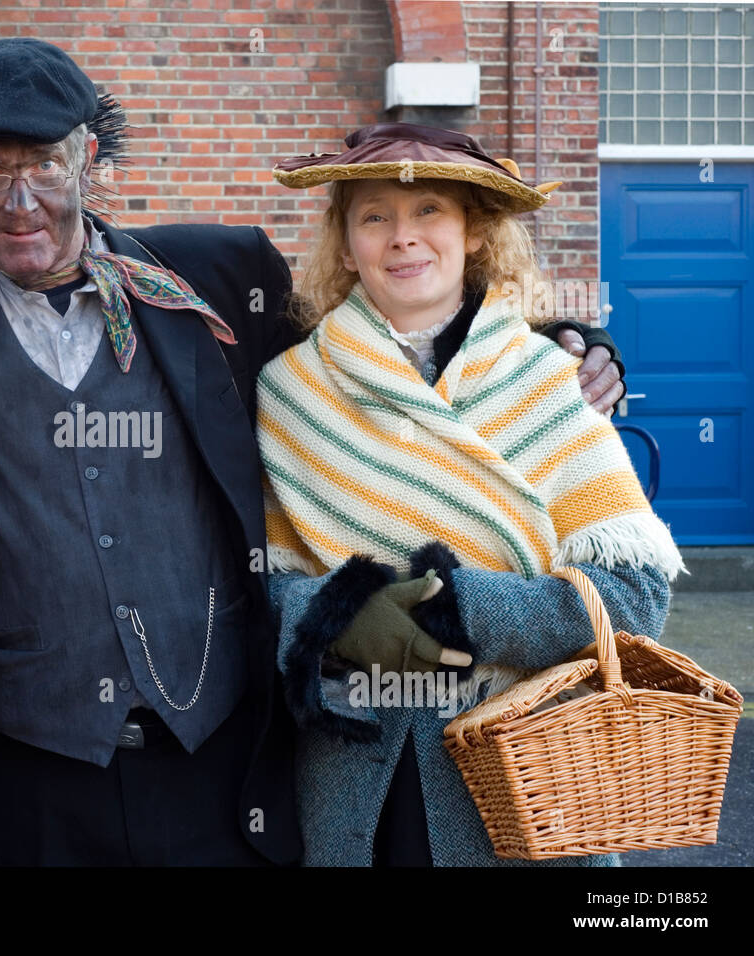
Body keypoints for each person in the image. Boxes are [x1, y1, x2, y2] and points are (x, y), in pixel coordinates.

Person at [0, 41, 626, 865]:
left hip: (214, 761)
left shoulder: (215, 277)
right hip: (19, 775)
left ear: (87, 157)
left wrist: (559, 342)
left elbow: (380, 338)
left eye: (43, 164)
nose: (20, 200)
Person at [257, 123, 684, 866]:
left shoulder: (546, 383)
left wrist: (472, 609)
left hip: (526, 771)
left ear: (475, 232)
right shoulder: (292, 391)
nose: (402, 238)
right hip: (357, 776)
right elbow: (260, 585)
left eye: (429, 212)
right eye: (375, 216)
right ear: (347, 240)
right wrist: (339, 616)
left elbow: (636, 594)